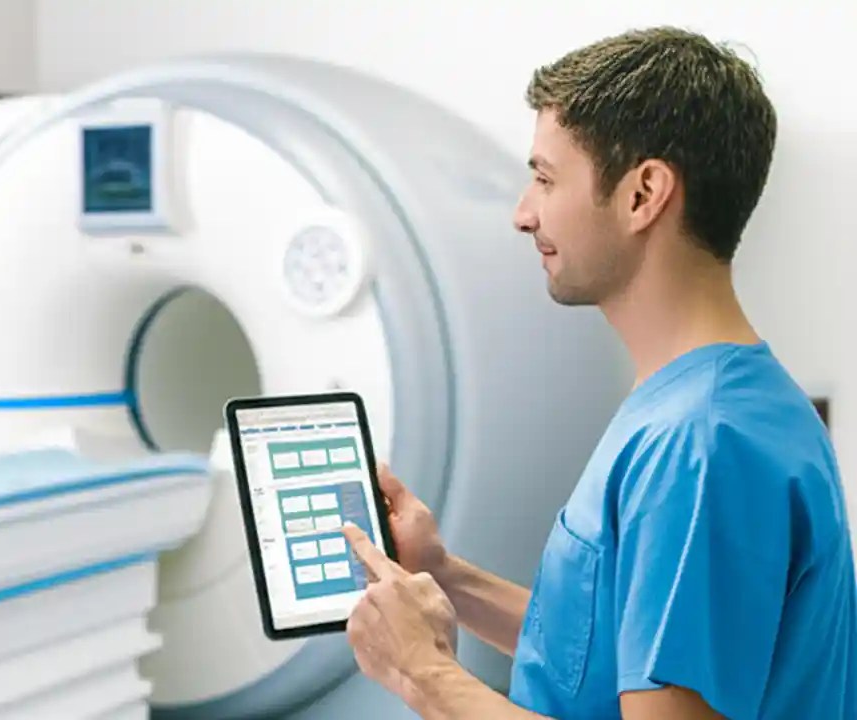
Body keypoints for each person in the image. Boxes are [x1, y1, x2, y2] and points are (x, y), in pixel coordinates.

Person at [340, 26, 857, 720]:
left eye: (547, 178)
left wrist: (425, 675)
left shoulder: (700, 445)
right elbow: (614, 653)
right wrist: (444, 577)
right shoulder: (713, 402)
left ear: (644, 194)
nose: (524, 213)